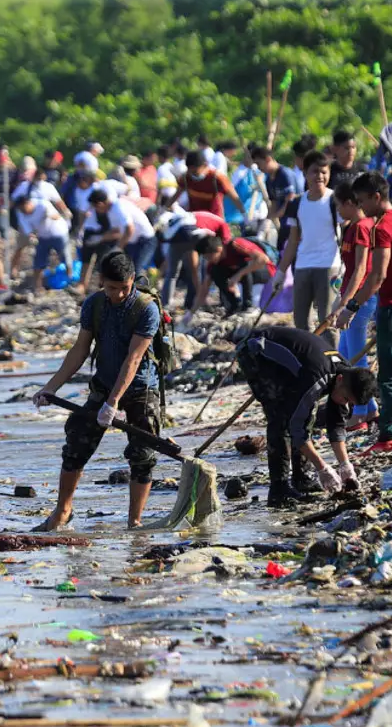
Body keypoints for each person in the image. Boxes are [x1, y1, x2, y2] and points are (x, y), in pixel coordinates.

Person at [32, 251, 164, 531]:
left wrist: (113, 402)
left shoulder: (146, 308)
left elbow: (134, 359)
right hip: (103, 384)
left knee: (143, 456)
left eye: (124, 288)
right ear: (101, 281)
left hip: (141, 386)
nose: (117, 295)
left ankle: (135, 521)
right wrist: (50, 388)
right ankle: (62, 511)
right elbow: (80, 350)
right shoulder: (93, 305)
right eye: (111, 288)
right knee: (77, 444)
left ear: (132, 281)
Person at [236, 326, 376, 507]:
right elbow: (297, 429)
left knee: (305, 416)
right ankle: (279, 489)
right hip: (256, 354)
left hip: (294, 367)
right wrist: (323, 468)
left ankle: (301, 477)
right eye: (346, 398)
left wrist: (345, 466)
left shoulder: (347, 376)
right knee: (282, 419)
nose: (345, 403)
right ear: (339, 380)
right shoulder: (317, 377)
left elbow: (337, 425)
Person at [341, 171, 392, 454]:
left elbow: (377, 276)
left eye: (363, 201)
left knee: (390, 375)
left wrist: (351, 306)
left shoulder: (382, 227)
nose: (361, 208)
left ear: (377, 197)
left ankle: (387, 437)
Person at [276, 151, 341, 346]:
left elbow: (347, 235)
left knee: (328, 321)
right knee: (301, 322)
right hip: (303, 266)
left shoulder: (335, 201)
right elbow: (293, 241)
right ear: (305, 174)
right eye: (314, 172)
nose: (319, 176)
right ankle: (307, 361)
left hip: (330, 267)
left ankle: (332, 364)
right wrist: (280, 271)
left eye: (323, 171)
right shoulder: (297, 203)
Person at [330, 183, 378, 430]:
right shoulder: (352, 228)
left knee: (356, 356)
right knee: (344, 355)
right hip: (351, 294)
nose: (338, 210)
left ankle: (360, 410)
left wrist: (347, 303)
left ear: (350, 203)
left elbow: (361, 269)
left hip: (360, 298)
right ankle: (370, 408)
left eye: (339, 204)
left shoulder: (363, 228)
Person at [159, 208, 231, 309]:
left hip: (176, 234)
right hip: (191, 233)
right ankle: (196, 302)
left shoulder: (209, 220)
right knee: (196, 271)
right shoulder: (222, 225)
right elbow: (226, 248)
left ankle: (165, 304)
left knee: (172, 272)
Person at [191, 233, 273, 316]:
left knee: (245, 265)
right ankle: (234, 305)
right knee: (215, 272)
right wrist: (191, 313)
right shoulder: (214, 263)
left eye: (209, 257)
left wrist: (238, 275)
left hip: (264, 272)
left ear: (219, 249)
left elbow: (264, 259)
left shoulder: (235, 245)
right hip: (246, 279)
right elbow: (204, 289)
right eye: (206, 258)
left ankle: (248, 305)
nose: (209, 260)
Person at [16, 194, 71, 293]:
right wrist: (32, 237)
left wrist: (48, 215)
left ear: (28, 203)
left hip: (58, 232)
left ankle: (69, 282)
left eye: (23, 208)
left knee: (65, 258)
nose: (23, 211)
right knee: (38, 261)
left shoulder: (42, 204)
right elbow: (28, 231)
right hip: (43, 236)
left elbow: (56, 216)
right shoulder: (21, 213)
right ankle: (37, 286)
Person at [251, 145, 301, 252]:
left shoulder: (285, 175)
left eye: (259, 164)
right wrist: (268, 220)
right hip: (284, 222)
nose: (259, 168)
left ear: (268, 159)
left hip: (295, 221)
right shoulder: (269, 179)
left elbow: (290, 200)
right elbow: (273, 202)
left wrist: (276, 215)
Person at [180, 150, 244, 220]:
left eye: (195, 172)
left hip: (215, 220)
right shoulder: (186, 177)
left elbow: (235, 198)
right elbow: (177, 194)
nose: (192, 174)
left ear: (205, 165)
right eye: (190, 171)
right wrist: (166, 208)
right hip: (195, 219)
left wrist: (244, 215)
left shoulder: (217, 178)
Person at [327, 129, 365, 196]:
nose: (351, 151)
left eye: (353, 147)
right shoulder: (328, 170)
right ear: (335, 149)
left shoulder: (361, 169)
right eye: (347, 148)